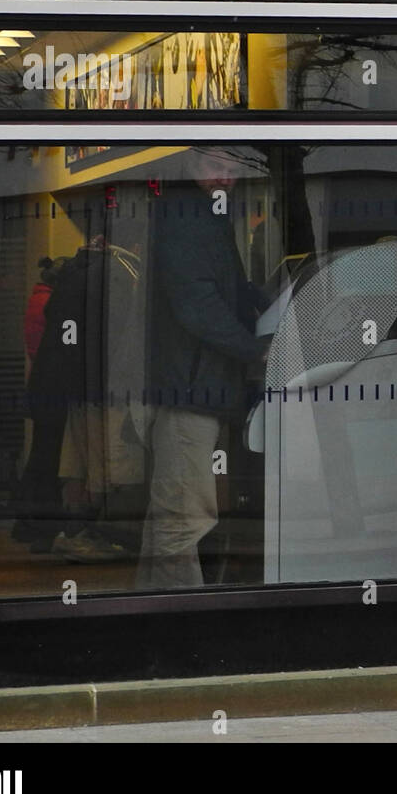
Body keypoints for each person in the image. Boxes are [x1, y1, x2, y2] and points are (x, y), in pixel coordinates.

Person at [136, 148, 268, 590]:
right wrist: (253, 348)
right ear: (191, 165)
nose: (226, 179)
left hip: (192, 387)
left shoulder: (203, 216)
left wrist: (266, 304)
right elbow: (198, 306)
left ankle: (151, 612)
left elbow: (226, 291)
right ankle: (183, 621)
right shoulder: (186, 216)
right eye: (217, 167)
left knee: (171, 516)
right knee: (184, 518)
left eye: (233, 171)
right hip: (190, 390)